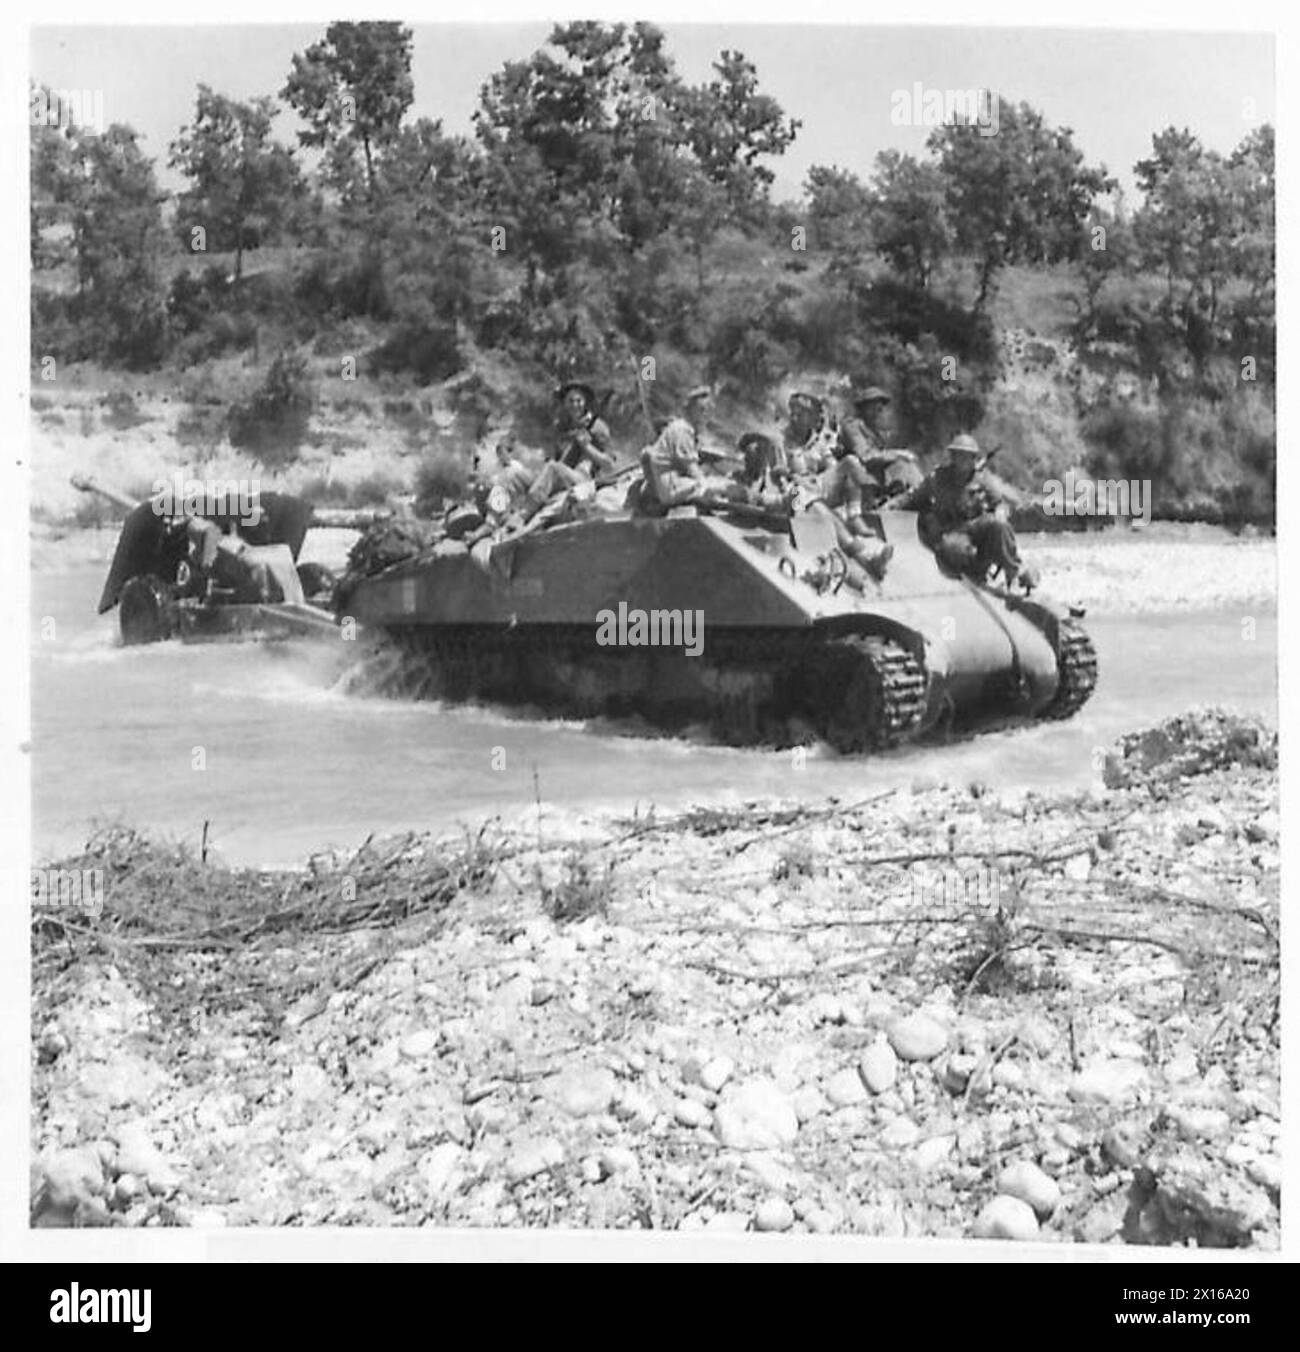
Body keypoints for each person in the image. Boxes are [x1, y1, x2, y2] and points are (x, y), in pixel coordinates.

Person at [899, 433, 1036, 589]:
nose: (964, 461)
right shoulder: (938, 478)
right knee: (955, 549)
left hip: (974, 527)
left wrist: (1000, 513)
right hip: (950, 531)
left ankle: (1016, 570)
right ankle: (974, 574)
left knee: (999, 526)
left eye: (968, 457)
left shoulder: (982, 479)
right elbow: (913, 497)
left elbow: (1000, 503)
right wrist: (891, 507)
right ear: (953, 457)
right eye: (960, 456)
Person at [522, 381, 614, 520]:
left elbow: (609, 465)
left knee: (553, 468)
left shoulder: (597, 427)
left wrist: (586, 447)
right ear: (564, 403)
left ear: (585, 403)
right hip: (562, 477)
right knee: (515, 474)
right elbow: (556, 458)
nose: (574, 405)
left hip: (583, 479)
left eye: (579, 401)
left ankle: (524, 513)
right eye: (570, 401)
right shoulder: (561, 427)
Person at [639, 385, 732, 511]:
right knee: (723, 488)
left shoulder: (684, 430)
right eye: (702, 409)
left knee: (722, 485)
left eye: (708, 410)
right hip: (673, 487)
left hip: (675, 485)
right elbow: (692, 470)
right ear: (690, 409)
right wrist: (708, 486)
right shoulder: (681, 430)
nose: (706, 414)